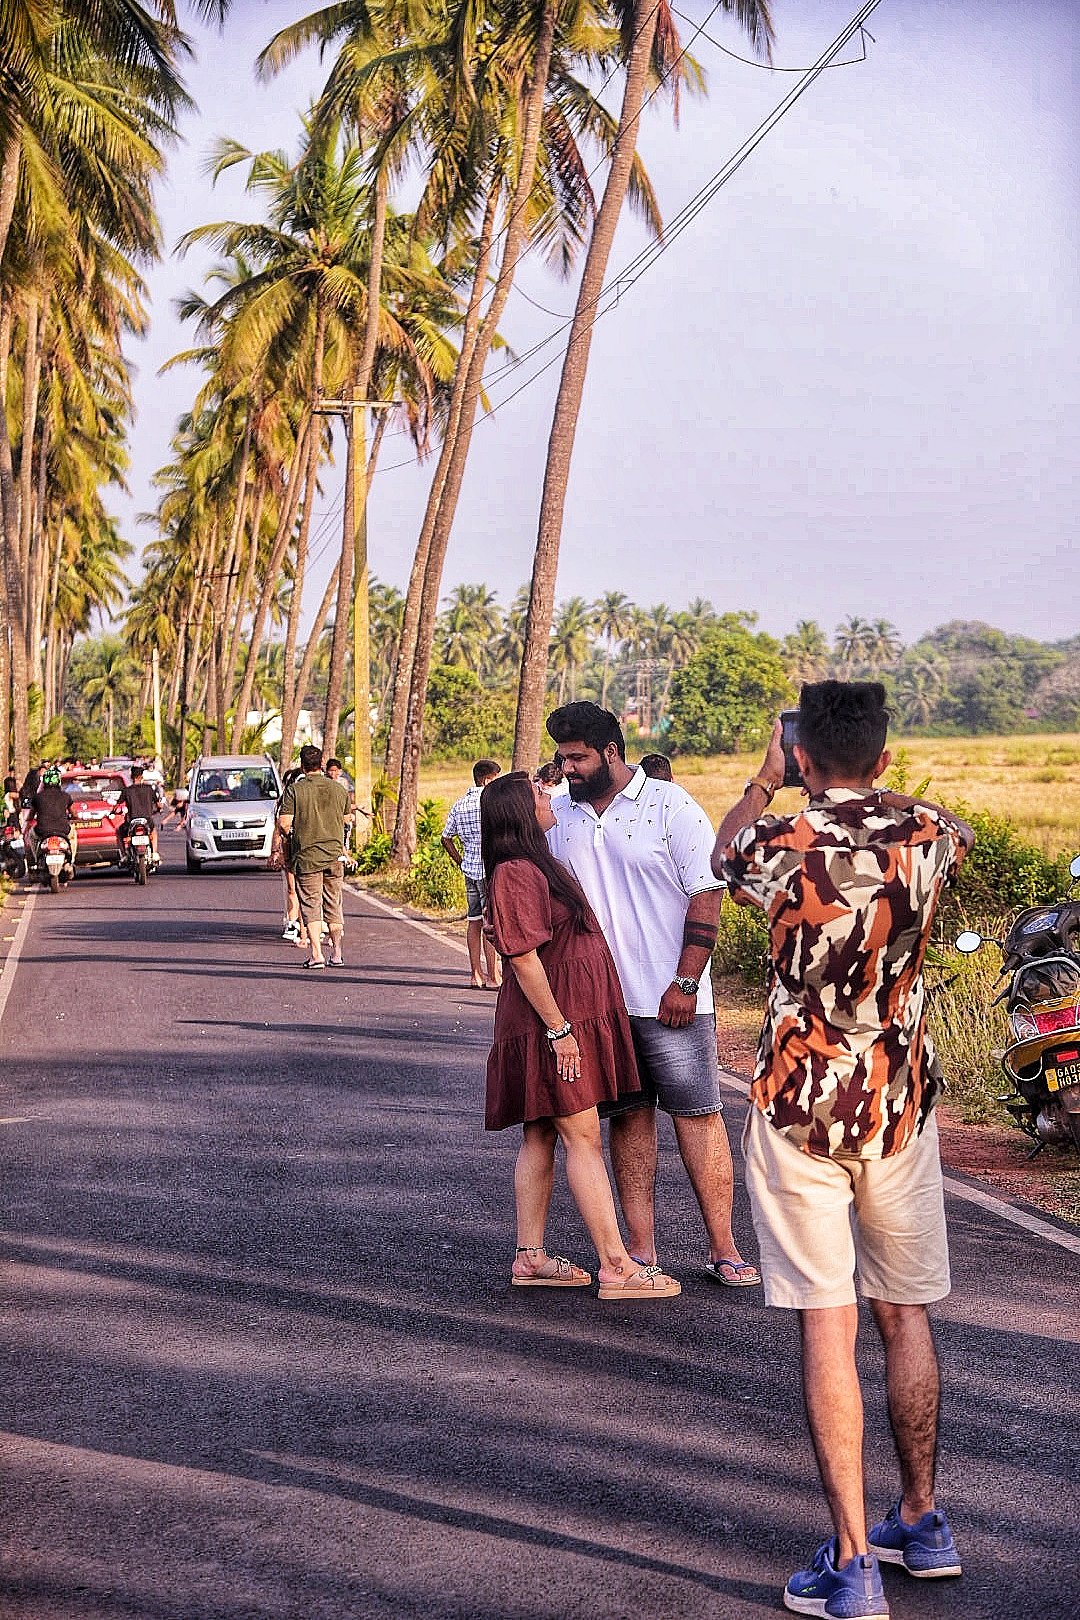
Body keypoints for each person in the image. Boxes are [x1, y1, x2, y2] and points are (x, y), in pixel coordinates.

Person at [711, 681, 972, 1619]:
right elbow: (931, 816)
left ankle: (855, 1564)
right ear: (885, 757)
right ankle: (924, 1520)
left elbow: (721, 852)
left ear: (800, 755)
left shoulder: (775, 843)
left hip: (800, 1103)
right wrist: (874, 792)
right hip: (900, 1097)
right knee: (906, 1313)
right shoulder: (933, 834)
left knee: (829, 1321)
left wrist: (767, 783)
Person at [545, 702, 759, 1288]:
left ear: (610, 752)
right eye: (563, 758)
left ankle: (725, 1247)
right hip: (601, 1004)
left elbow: (706, 894)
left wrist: (686, 980)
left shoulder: (672, 807)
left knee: (698, 1116)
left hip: (673, 998)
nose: (567, 768)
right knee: (628, 1119)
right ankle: (640, 1249)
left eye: (577, 757)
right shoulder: (560, 814)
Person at [482, 772, 680, 1300]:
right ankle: (618, 1266)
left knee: (542, 1134)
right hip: (552, 1021)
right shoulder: (518, 871)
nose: (550, 797)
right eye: (539, 796)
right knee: (583, 1136)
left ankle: (531, 1257)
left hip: (560, 1019)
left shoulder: (531, 864)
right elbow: (523, 959)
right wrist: (560, 1031)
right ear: (520, 813)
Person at [277, 745, 350, 969]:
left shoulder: (295, 790)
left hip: (307, 856)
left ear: (302, 765)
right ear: (321, 764)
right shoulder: (339, 790)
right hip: (334, 856)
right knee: (333, 903)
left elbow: (284, 823)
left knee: (310, 904)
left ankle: (317, 954)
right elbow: (347, 821)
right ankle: (336, 953)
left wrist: (292, 836)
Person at [441, 758, 502, 990]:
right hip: (489, 870)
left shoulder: (460, 804)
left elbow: (446, 837)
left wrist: (461, 861)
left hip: (470, 869)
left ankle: (475, 974)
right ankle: (493, 976)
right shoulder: (491, 803)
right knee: (490, 923)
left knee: (473, 921)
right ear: (487, 780)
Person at [276, 766, 305, 946]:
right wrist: (276, 851)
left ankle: (306, 929)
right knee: (293, 889)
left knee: (306, 890)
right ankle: (295, 923)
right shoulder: (284, 802)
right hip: (290, 852)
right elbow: (279, 826)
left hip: (307, 851)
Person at [27, 765, 77, 863]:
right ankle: (72, 859)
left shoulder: (37, 797)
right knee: (73, 834)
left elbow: (30, 816)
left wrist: (30, 819)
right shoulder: (65, 796)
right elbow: (74, 814)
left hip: (42, 830)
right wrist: (74, 817)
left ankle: (36, 857)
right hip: (63, 829)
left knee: (31, 834)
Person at [118, 763, 161, 868]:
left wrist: (114, 811)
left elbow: (118, 804)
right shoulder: (149, 789)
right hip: (147, 820)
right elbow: (158, 804)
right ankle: (154, 853)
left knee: (119, 832)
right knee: (153, 831)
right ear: (142, 776)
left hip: (131, 820)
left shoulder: (127, 790)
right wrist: (159, 809)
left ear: (132, 777)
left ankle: (124, 855)